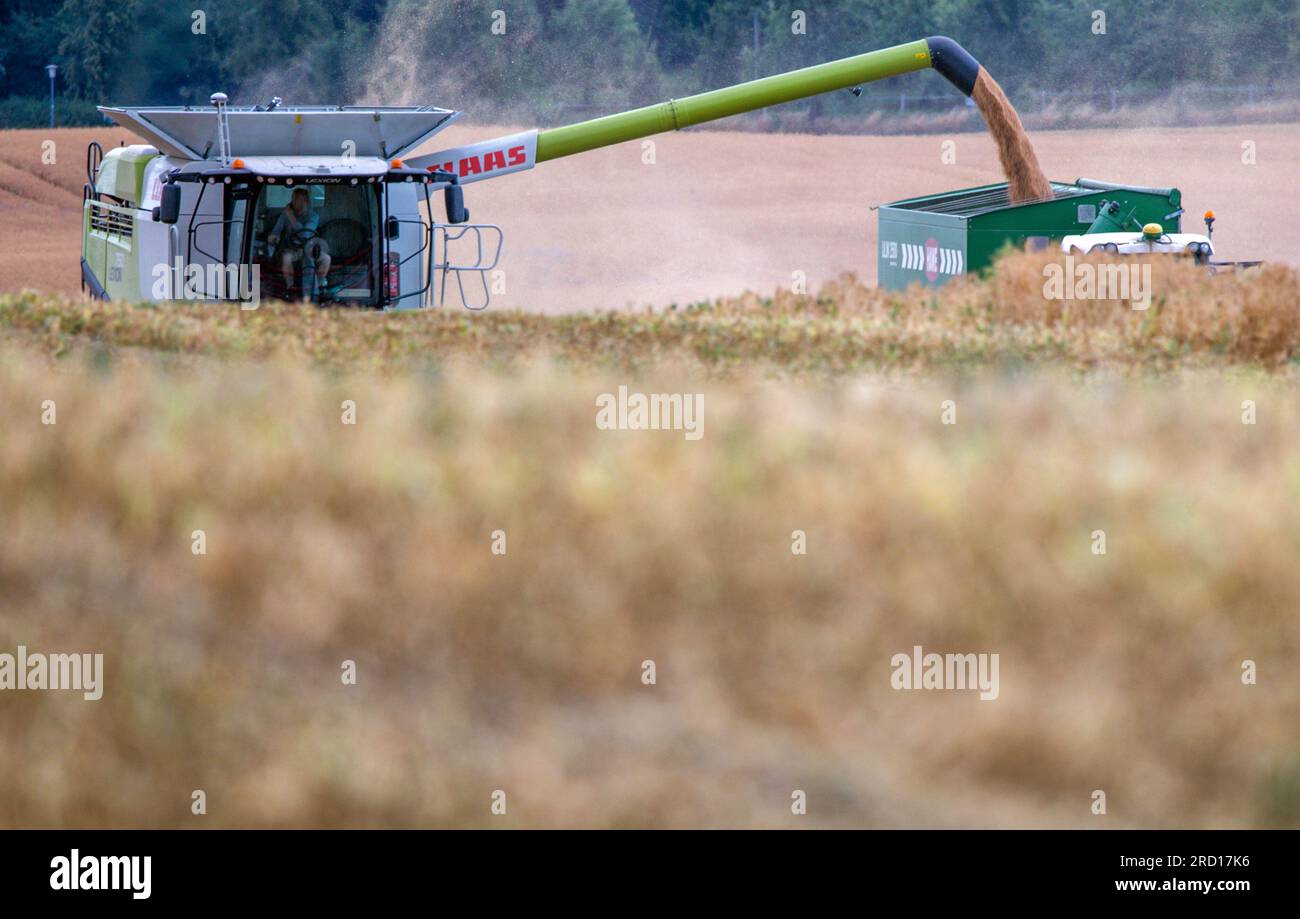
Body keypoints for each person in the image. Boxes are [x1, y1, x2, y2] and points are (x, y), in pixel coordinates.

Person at [268, 187, 331, 296]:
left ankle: (318, 286)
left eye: (297, 199)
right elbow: (276, 231)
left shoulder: (313, 216)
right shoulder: (285, 215)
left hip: (310, 250)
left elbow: (304, 234)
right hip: (292, 249)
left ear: (305, 201)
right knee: (286, 257)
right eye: (293, 199)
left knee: (326, 259)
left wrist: (291, 216)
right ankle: (290, 287)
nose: (294, 202)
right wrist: (273, 237)